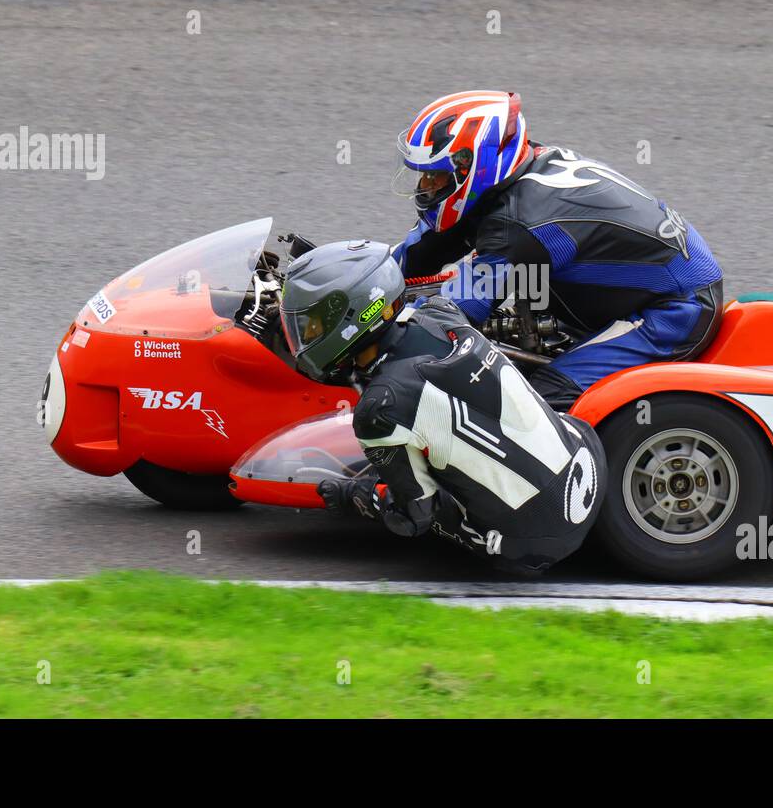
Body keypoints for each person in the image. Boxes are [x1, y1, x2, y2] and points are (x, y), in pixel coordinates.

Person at [278, 239, 606, 576]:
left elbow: (415, 517)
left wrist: (353, 494)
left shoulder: (380, 407)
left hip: (533, 544)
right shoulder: (440, 312)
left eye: (311, 324)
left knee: (409, 505)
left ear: (351, 316)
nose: (305, 335)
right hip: (588, 458)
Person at [392, 90, 724, 410]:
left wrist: (387, 333)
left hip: (673, 310)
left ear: (473, 165)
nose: (426, 188)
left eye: (435, 177)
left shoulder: (521, 224)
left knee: (535, 402)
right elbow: (420, 251)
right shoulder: (513, 172)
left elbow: (449, 314)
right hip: (624, 290)